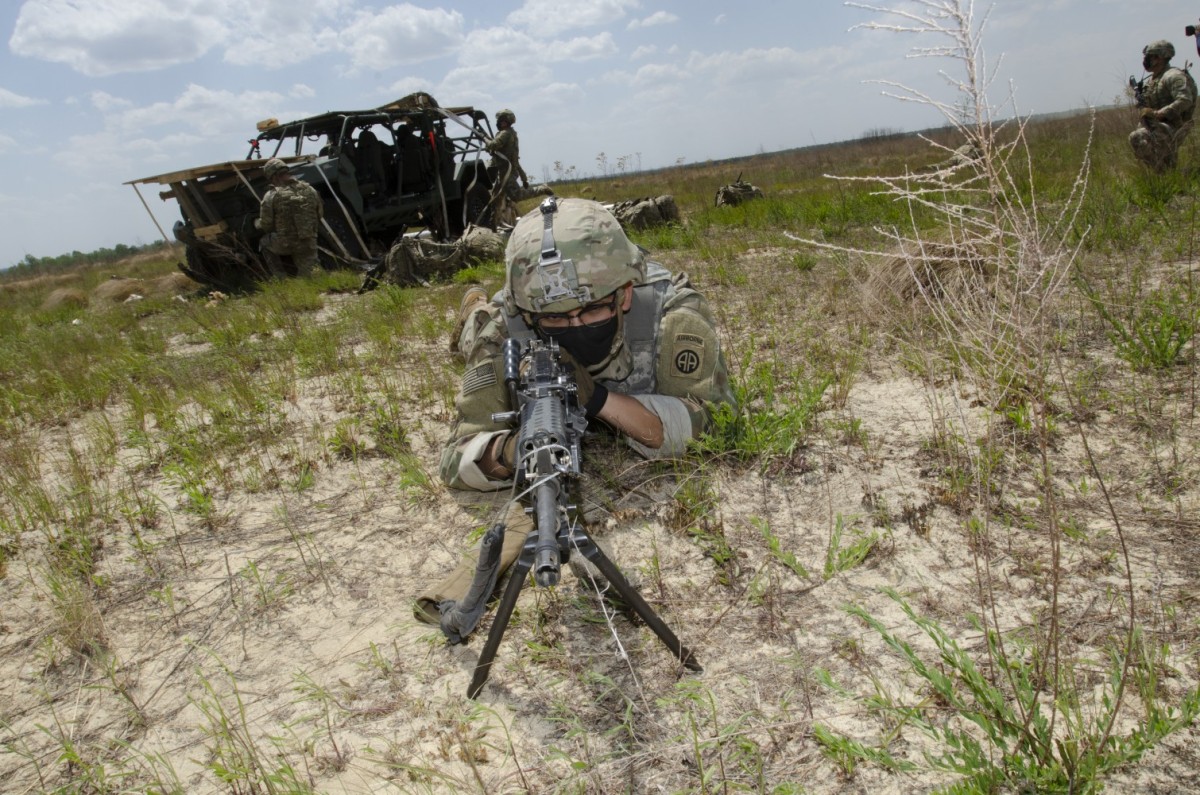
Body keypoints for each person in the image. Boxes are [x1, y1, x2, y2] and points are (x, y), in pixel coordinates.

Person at [415, 197, 736, 637]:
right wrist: (514, 449)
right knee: (476, 328)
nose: (576, 326)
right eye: (555, 320)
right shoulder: (506, 328)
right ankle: (470, 305)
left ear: (624, 295)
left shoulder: (671, 315)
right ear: (530, 314)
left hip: (616, 384)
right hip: (496, 326)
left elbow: (714, 423)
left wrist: (599, 400)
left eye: (592, 311)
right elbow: (456, 459)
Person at [1129, 40, 1198, 172]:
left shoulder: (1173, 76)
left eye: (1149, 56)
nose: (1145, 60)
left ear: (1159, 58)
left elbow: (1185, 100)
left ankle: (1164, 174)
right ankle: (1167, 174)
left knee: (1137, 137)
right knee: (1140, 136)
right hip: (1159, 125)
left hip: (1176, 125)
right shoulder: (1152, 80)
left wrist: (1159, 113)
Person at [254, 158, 324, 276]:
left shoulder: (271, 195)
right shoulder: (309, 189)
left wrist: (258, 223)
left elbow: (267, 225)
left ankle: (281, 278)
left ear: (273, 177)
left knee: (264, 243)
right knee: (312, 271)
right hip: (309, 240)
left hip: (287, 243)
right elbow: (319, 214)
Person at [485, 109, 552, 225]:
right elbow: (514, 158)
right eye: (500, 120)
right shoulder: (511, 134)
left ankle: (542, 189)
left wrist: (484, 138)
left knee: (516, 196)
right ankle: (493, 225)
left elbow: (493, 145)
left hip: (506, 172)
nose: (500, 122)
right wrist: (524, 178)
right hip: (503, 172)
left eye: (502, 120)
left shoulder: (505, 134)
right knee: (495, 200)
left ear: (506, 121)